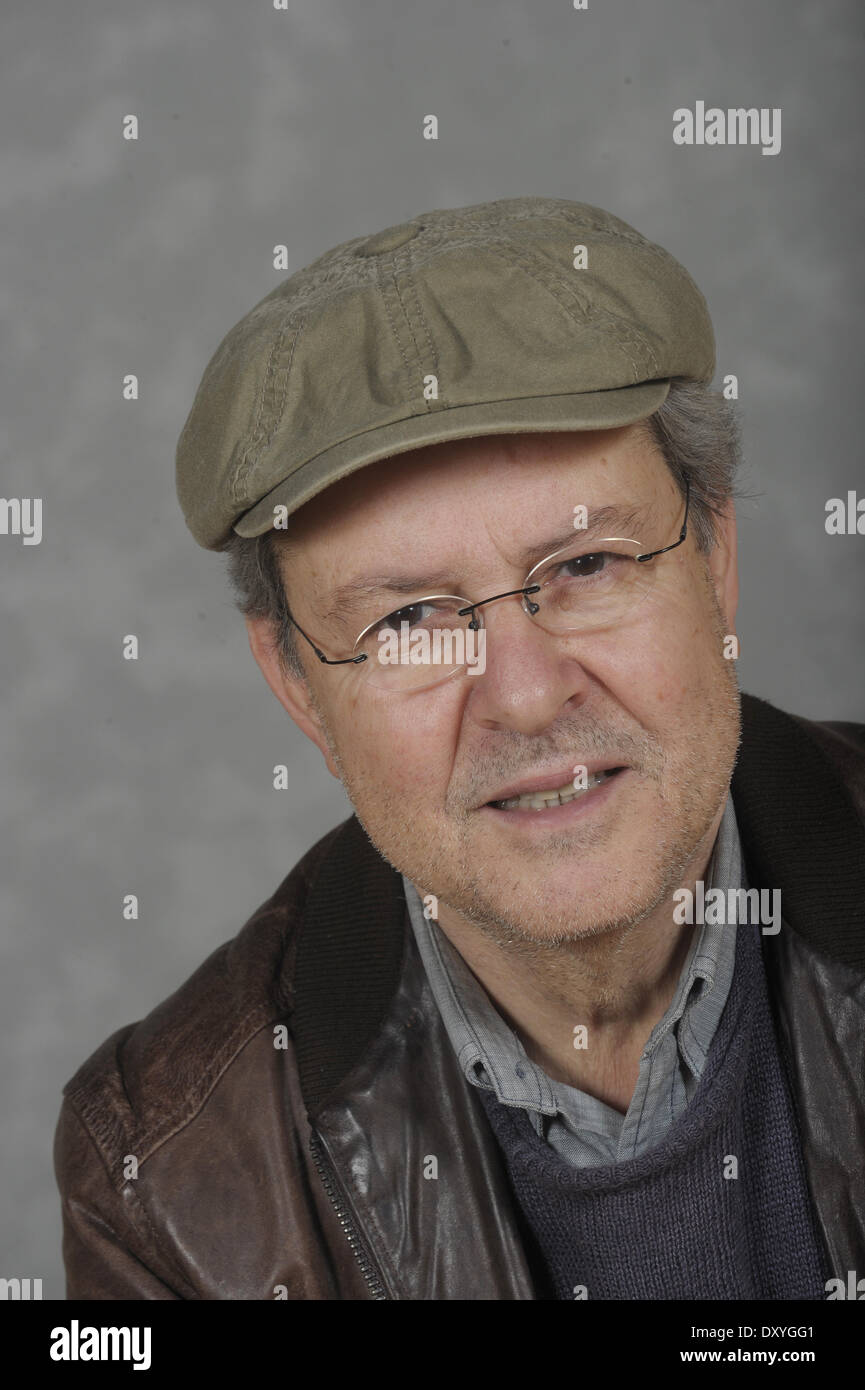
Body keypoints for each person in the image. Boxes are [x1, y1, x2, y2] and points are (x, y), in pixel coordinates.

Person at [54, 196, 865, 1300]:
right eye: (407, 622)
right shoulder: (168, 1185)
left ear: (714, 556)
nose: (526, 696)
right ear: (297, 684)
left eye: (585, 565)